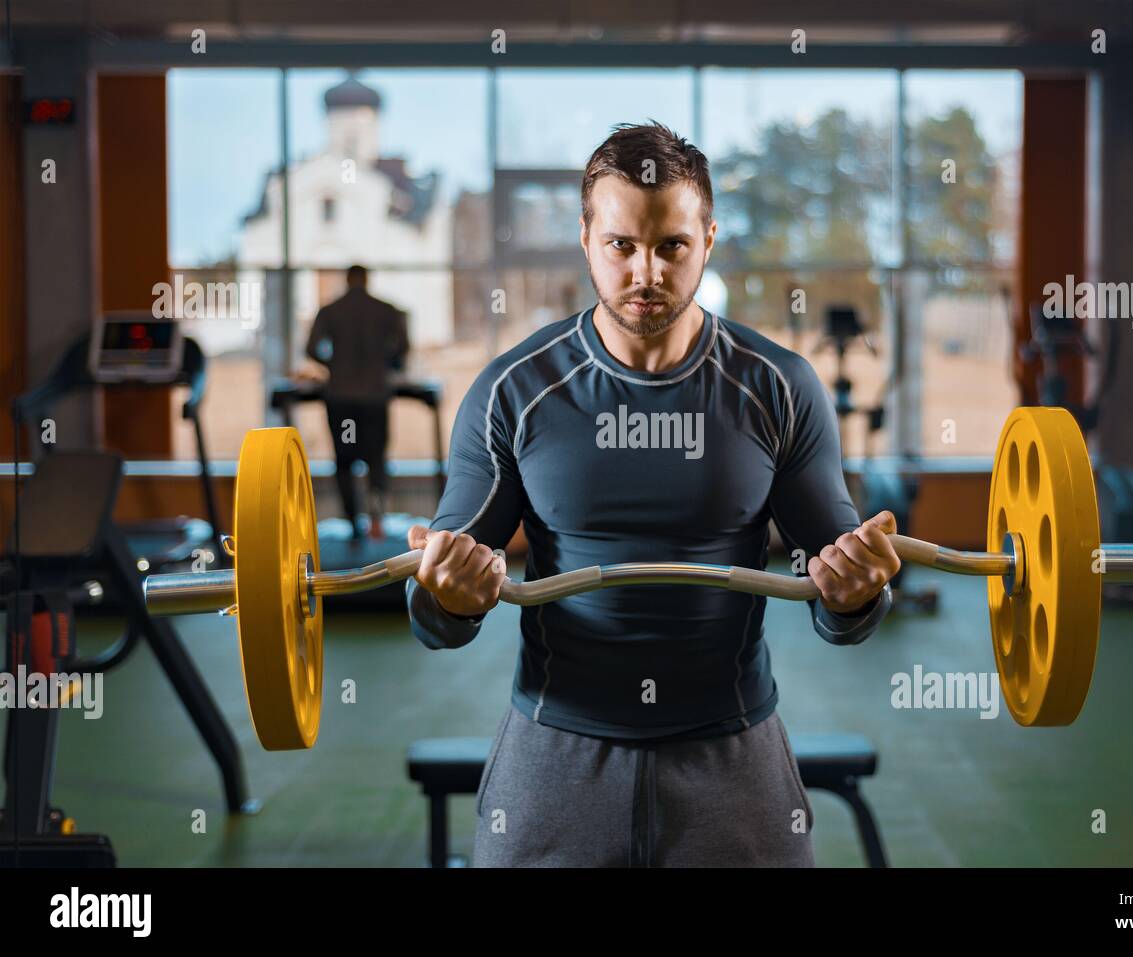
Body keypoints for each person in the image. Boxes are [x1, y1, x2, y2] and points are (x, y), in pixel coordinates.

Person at [405, 122, 899, 867]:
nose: (645, 272)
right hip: (556, 750)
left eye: (671, 245)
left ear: (708, 238)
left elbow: (840, 594)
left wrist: (858, 591)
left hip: (731, 753)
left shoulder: (777, 387)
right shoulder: (515, 391)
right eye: (621, 245)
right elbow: (439, 607)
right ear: (585, 237)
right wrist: (448, 595)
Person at [306, 265, 408, 541]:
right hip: (374, 395)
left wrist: (335, 365)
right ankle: (376, 519)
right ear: (366, 280)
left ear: (347, 280)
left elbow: (311, 348)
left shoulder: (330, 310)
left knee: (344, 459)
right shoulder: (387, 310)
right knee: (376, 458)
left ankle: (352, 524)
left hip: (342, 398)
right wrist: (385, 364)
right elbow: (402, 347)